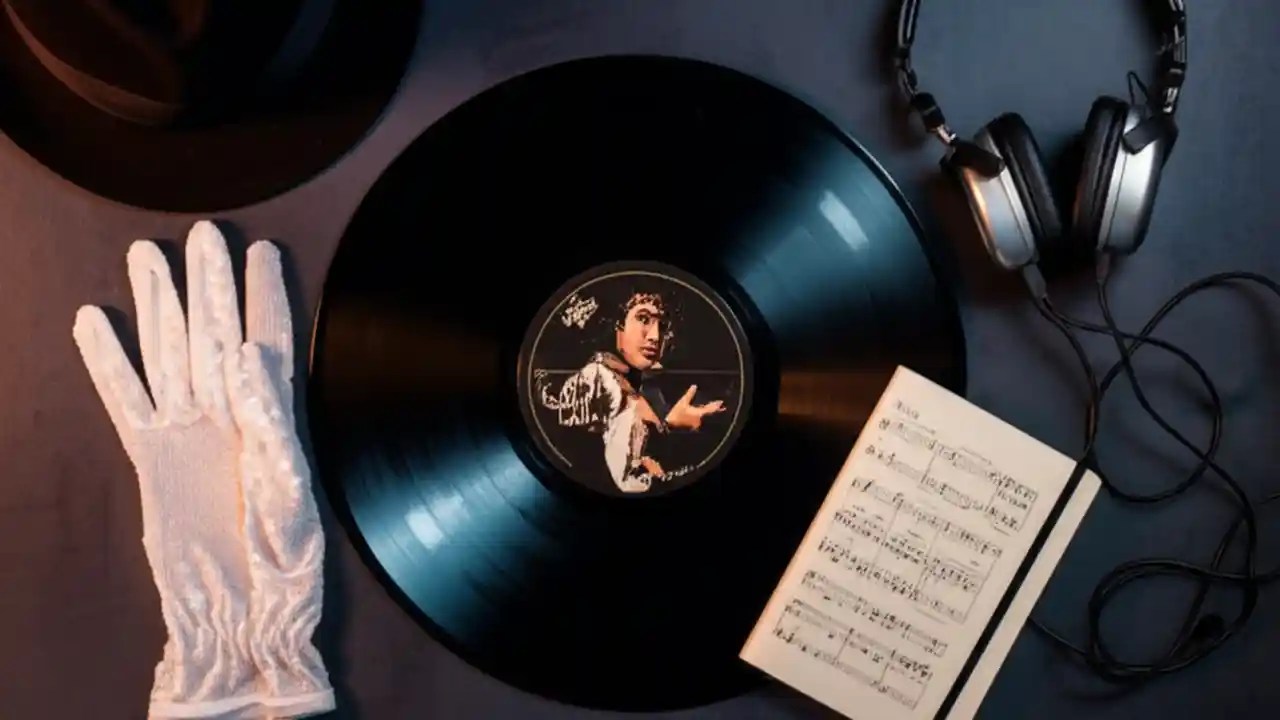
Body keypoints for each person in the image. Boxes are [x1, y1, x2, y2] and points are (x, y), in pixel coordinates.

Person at [536, 287, 724, 493]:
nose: (655, 336)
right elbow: (625, 482)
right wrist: (673, 426)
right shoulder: (599, 380)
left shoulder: (629, 378)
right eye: (643, 319)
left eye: (662, 325)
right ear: (617, 325)